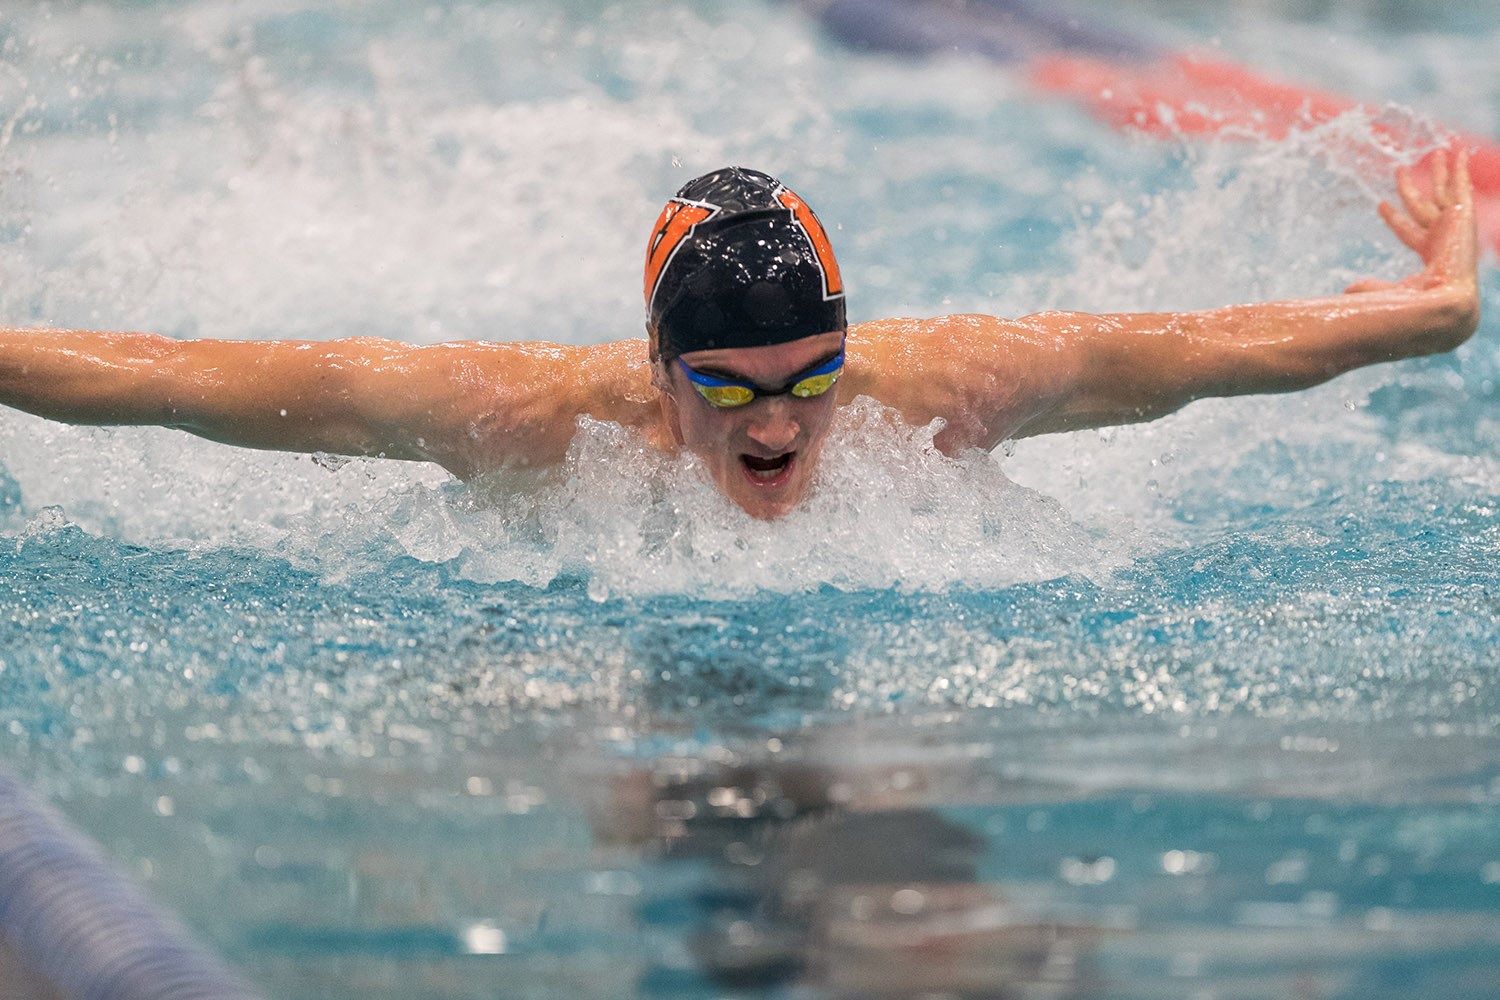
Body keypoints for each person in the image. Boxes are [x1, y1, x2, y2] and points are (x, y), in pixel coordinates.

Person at [0, 152, 1480, 520]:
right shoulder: (522, 420)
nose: (779, 428)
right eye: (729, 390)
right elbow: (176, 380)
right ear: (656, 371)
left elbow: (1236, 346)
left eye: (812, 383)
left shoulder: (951, 393)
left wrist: (1448, 278)